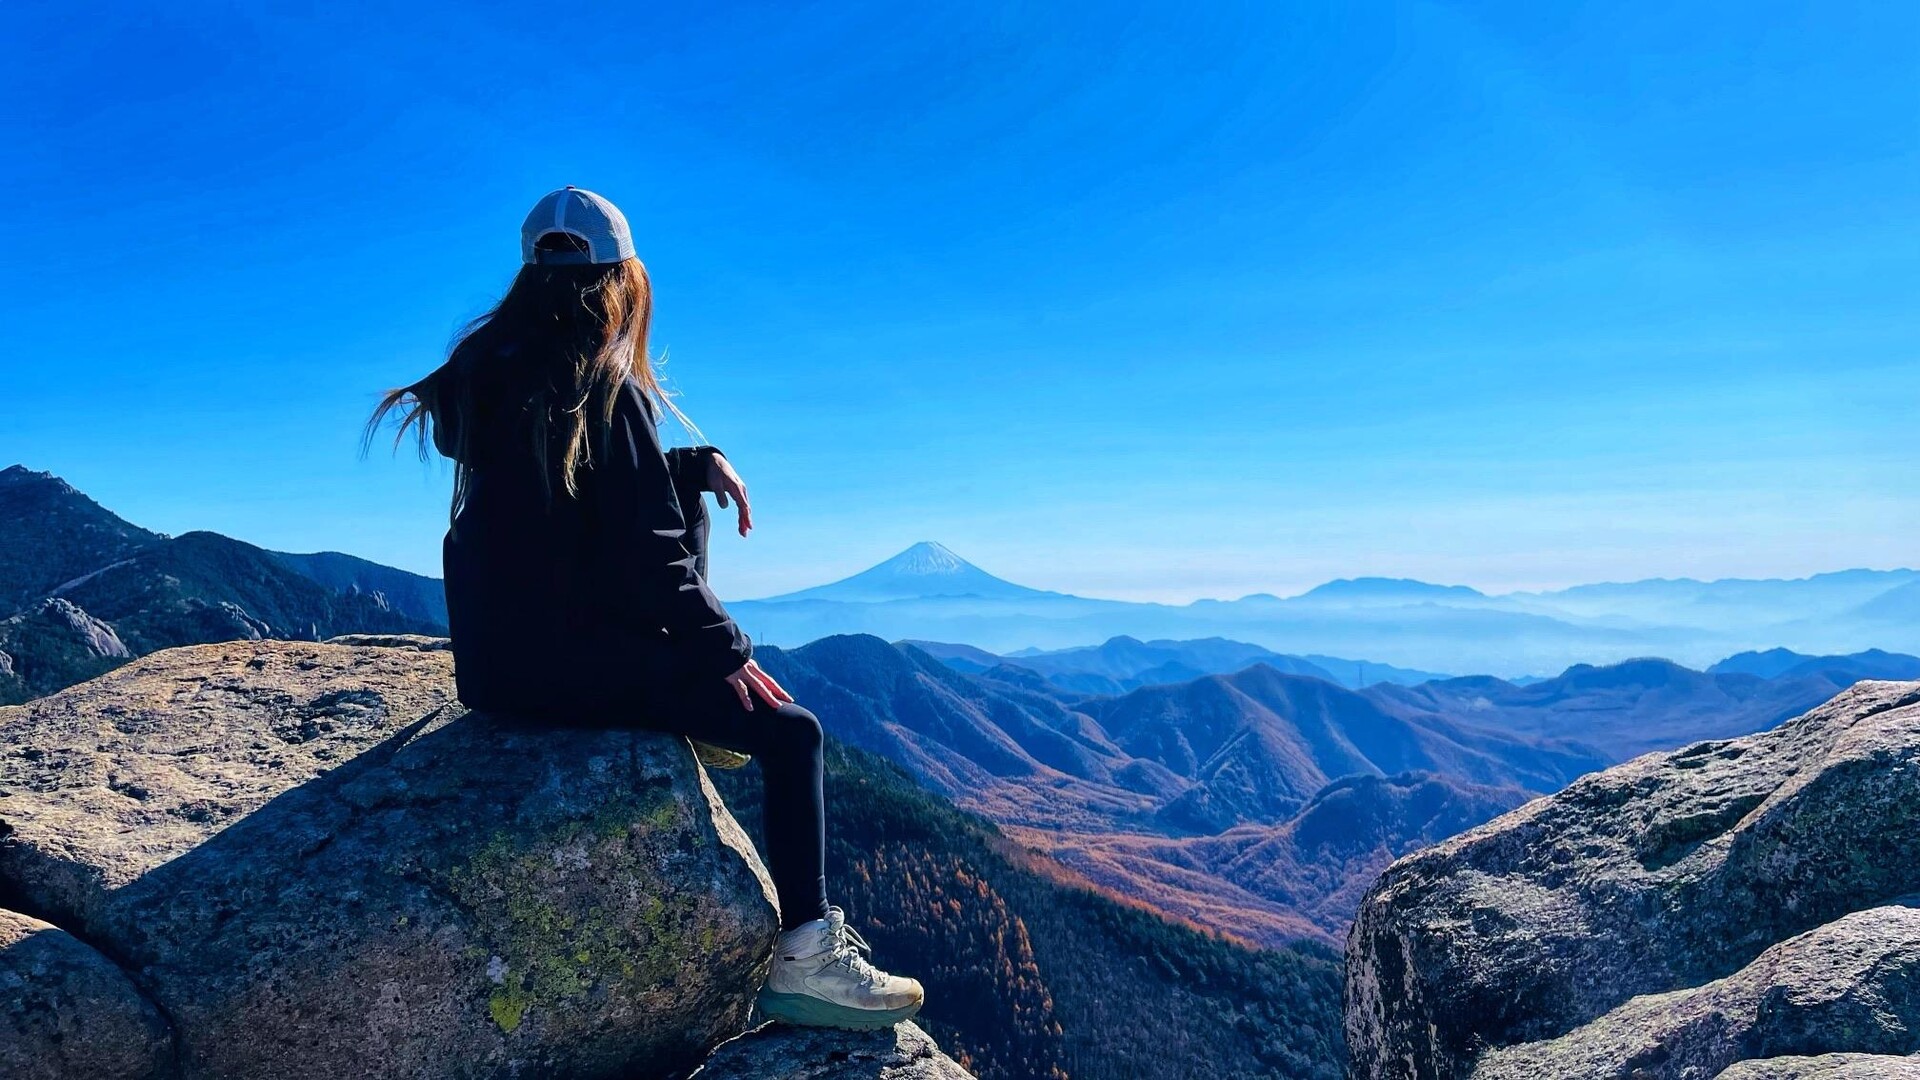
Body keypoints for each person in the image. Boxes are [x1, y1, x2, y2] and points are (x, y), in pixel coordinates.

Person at [366, 186, 924, 1031]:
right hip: (569, 666)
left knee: (685, 498)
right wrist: (727, 655)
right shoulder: (604, 384)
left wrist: (692, 465)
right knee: (796, 734)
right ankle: (807, 959)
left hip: (494, 669)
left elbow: (576, 496)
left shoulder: (486, 376)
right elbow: (650, 553)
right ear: (622, 280)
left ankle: (691, 701)